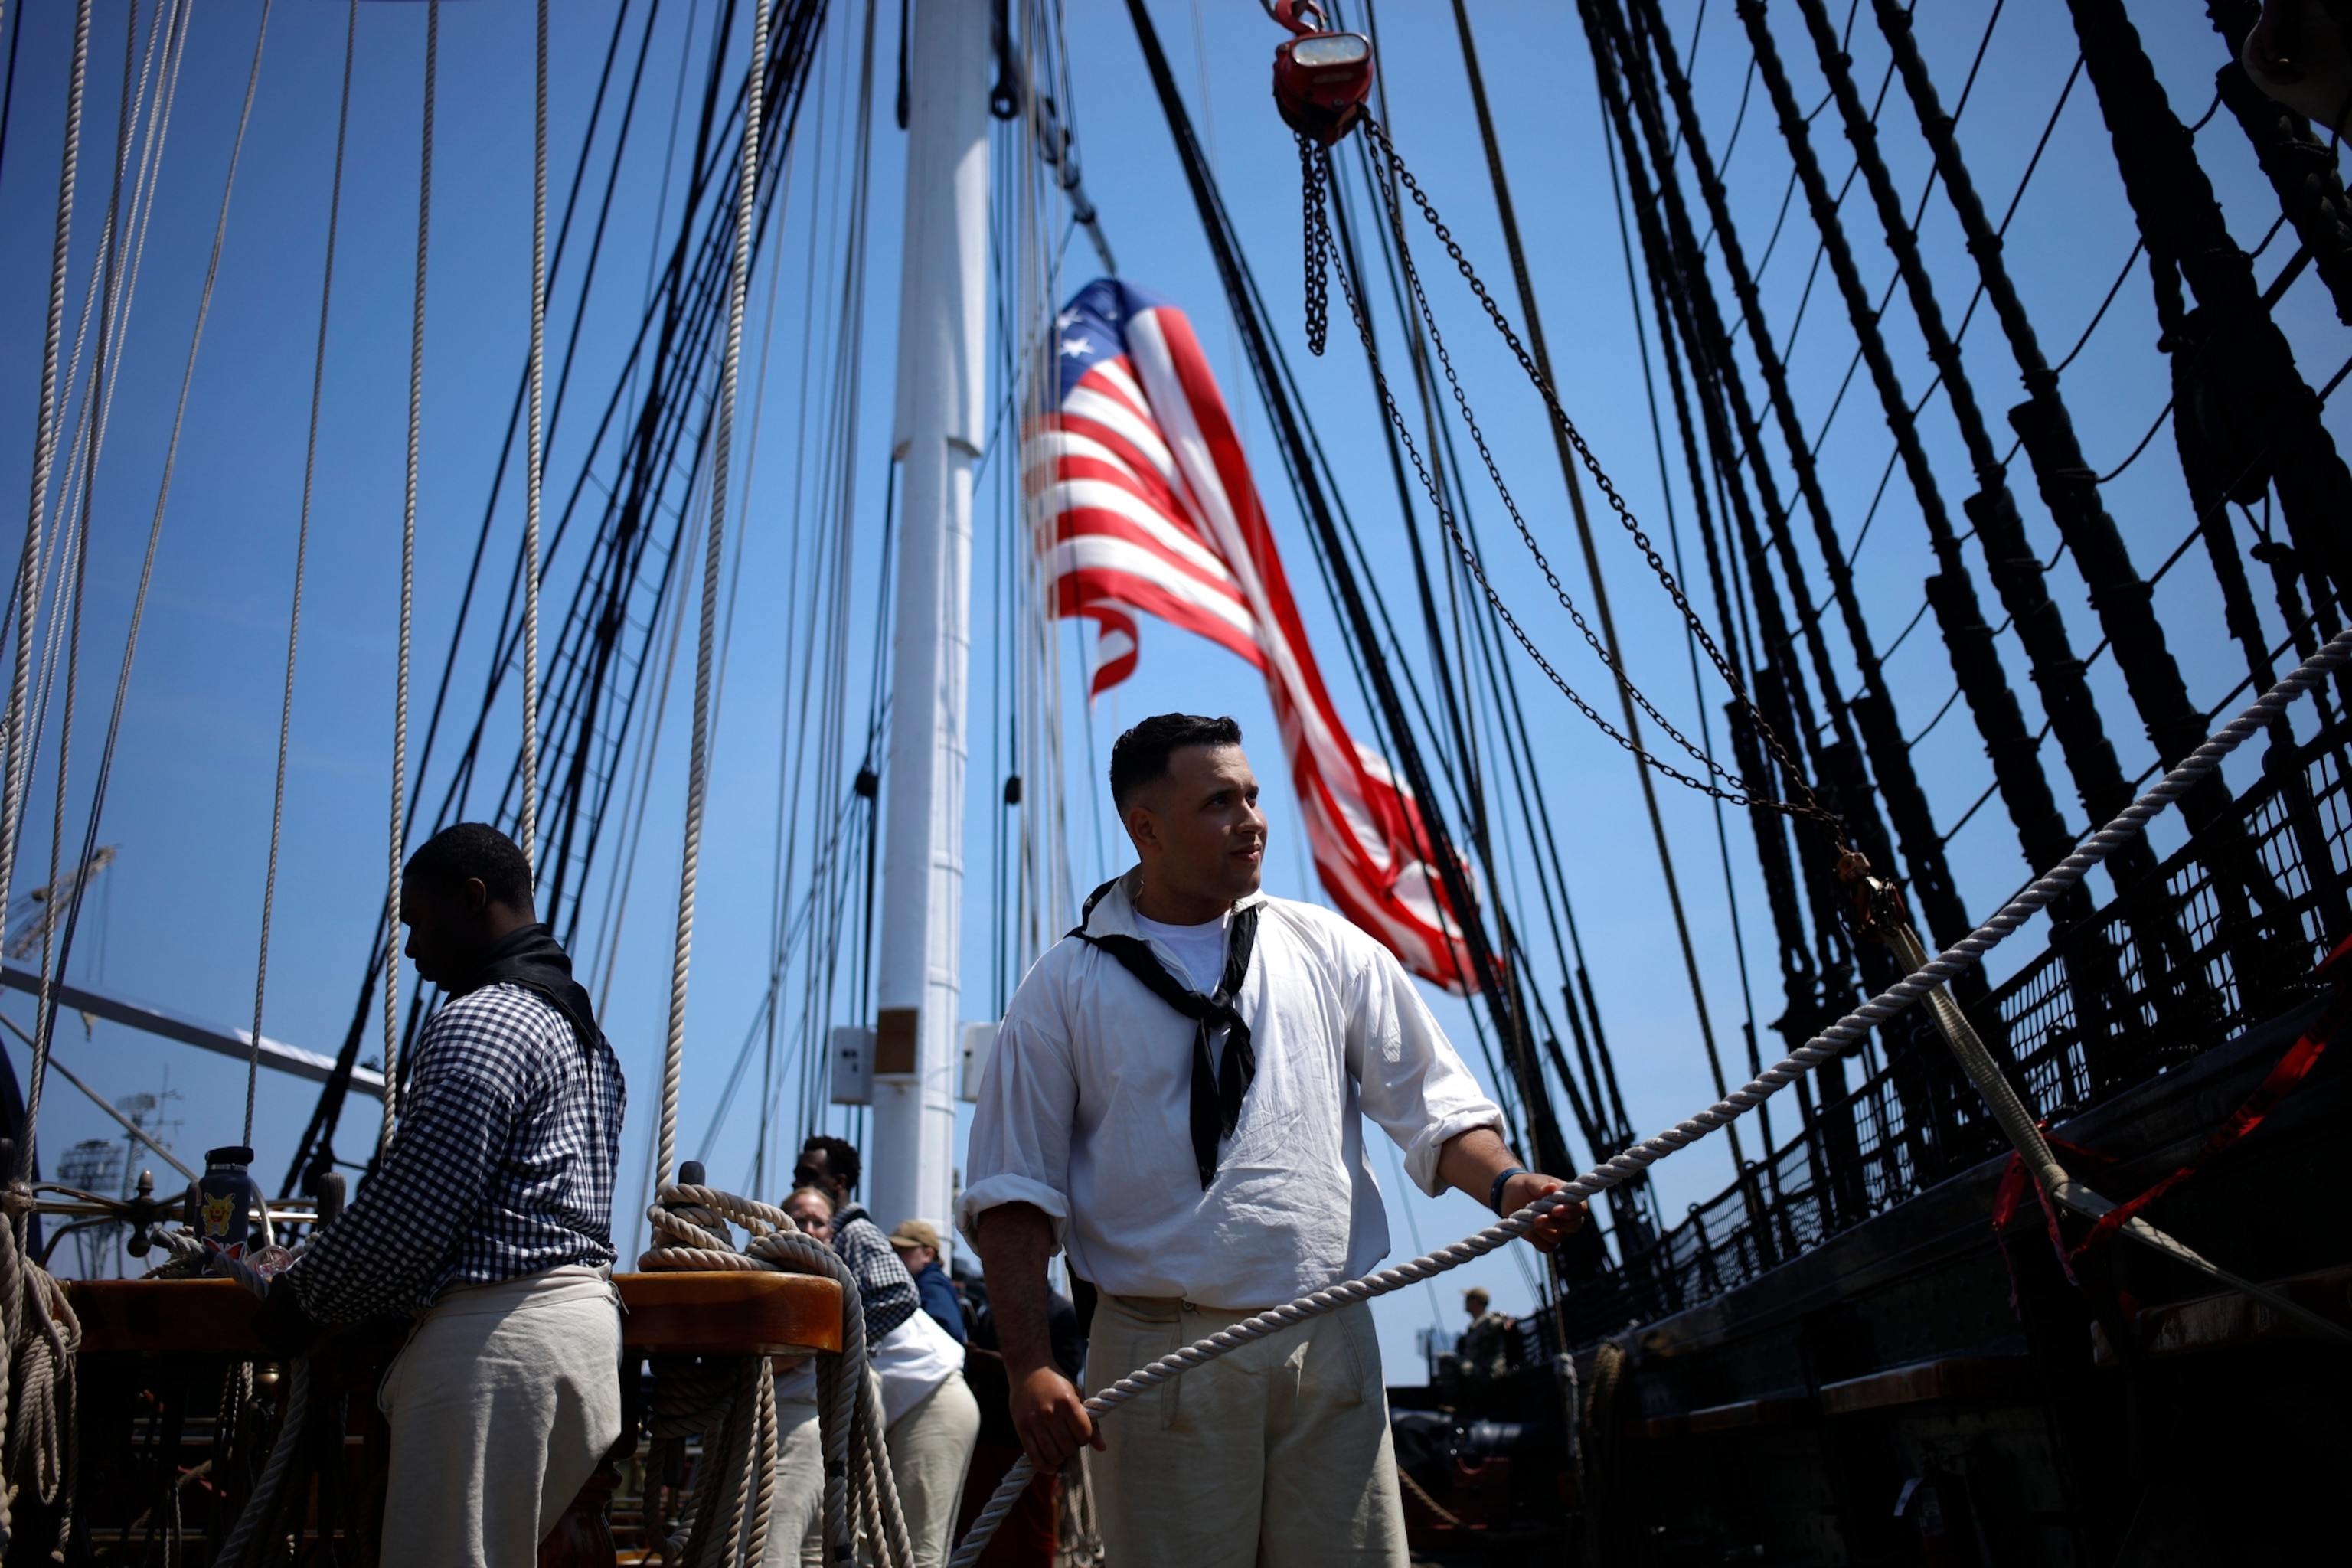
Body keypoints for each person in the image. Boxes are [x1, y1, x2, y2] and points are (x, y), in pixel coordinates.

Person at [959, 714, 1583, 1568]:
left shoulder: (1327, 947)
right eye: (1220, 801)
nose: (1252, 817)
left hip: (1328, 1339)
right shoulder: (1063, 988)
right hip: (1161, 1350)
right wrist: (1031, 1365)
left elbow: (1434, 1104)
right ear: (1146, 827)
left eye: (1251, 794)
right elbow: (1013, 1192)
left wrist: (1509, 1186)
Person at [256, 822, 626, 1567]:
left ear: (473, 898)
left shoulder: (484, 1019)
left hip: (497, 1348)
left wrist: (294, 1300)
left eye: (419, 922)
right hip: (584, 1340)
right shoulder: (588, 1039)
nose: (413, 951)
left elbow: (412, 1216)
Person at [795, 1138, 980, 1568]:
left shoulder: (853, 1232)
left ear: (838, 1183)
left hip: (933, 1399)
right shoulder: (818, 1243)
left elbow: (899, 1294)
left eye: (808, 1175)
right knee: (865, 1547)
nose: (797, 1181)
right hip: (894, 1405)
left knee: (915, 1552)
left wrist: (840, 1342)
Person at [888, 1219, 969, 1344]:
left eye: (903, 1249)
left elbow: (949, 1333)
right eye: (893, 1249)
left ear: (928, 1255)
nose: (895, 1255)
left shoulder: (931, 1284)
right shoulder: (924, 1283)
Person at [1454, 1286, 1517, 1383]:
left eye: (1468, 1299)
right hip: (1477, 1367)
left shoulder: (1487, 1321)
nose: (1465, 1302)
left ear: (1476, 1301)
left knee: (1455, 1364)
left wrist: (1505, 1322)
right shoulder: (1474, 1325)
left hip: (1488, 1369)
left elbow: (1499, 1322)